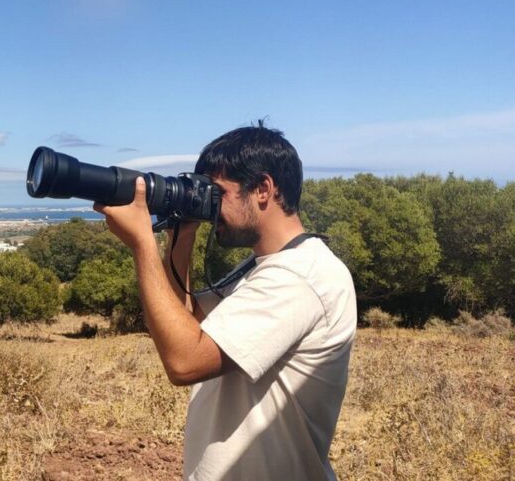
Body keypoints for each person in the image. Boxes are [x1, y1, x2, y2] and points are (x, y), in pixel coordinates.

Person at [94, 123, 356, 481]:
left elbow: (184, 361)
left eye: (217, 193)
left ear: (263, 189)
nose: (212, 208)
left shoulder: (299, 277)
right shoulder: (265, 267)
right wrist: (181, 236)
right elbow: (184, 319)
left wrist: (142, 245)